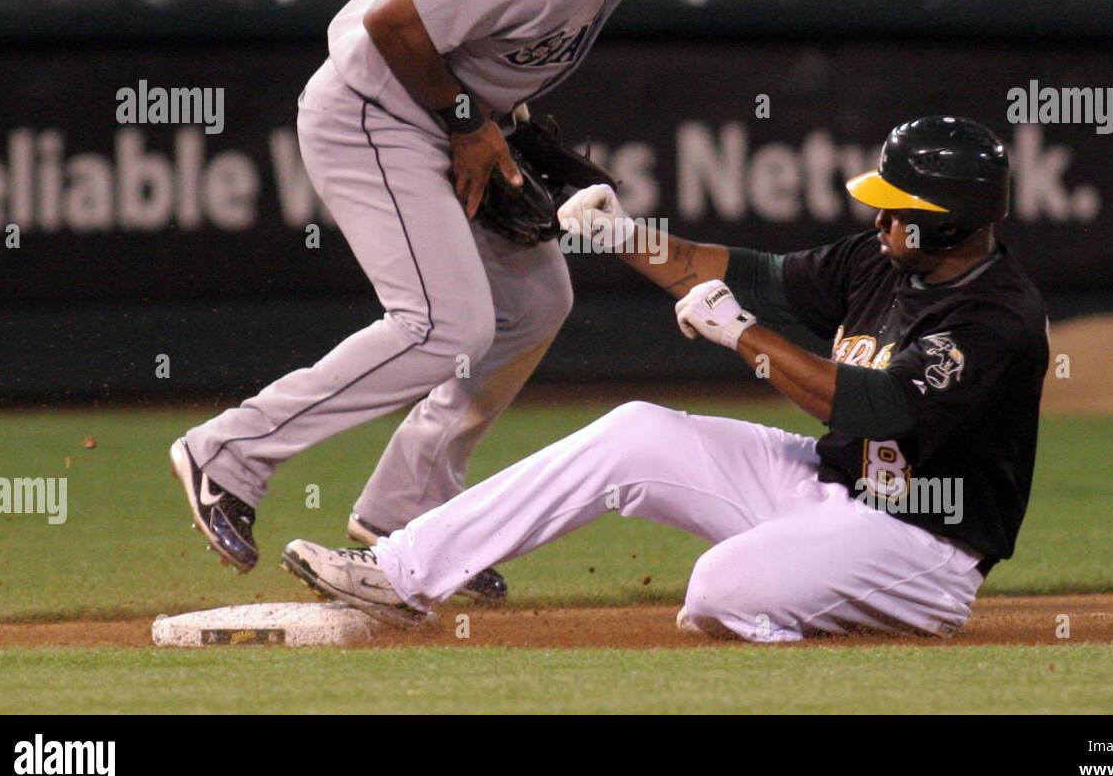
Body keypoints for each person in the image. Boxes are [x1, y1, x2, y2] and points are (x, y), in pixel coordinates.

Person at [170, 0, 749, 606]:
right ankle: (227, 453)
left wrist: (502, 121)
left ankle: (406, 512)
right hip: (374, 109)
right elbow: (394, 18)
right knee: (444, 325)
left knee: (537, 299)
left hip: (434, 116)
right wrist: (467, 119)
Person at [280, 117, 1050, 642]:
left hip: (920, 548)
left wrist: (741, 337)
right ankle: (399, 571)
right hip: (830, 484)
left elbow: (872, 405)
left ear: (944, 222)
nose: (879, 221)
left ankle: (822, 618)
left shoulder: (995, 319)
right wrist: (621, 233)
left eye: (895, 210)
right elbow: (745, 271)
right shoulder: (877, 259)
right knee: (635, 431)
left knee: (721, 588)